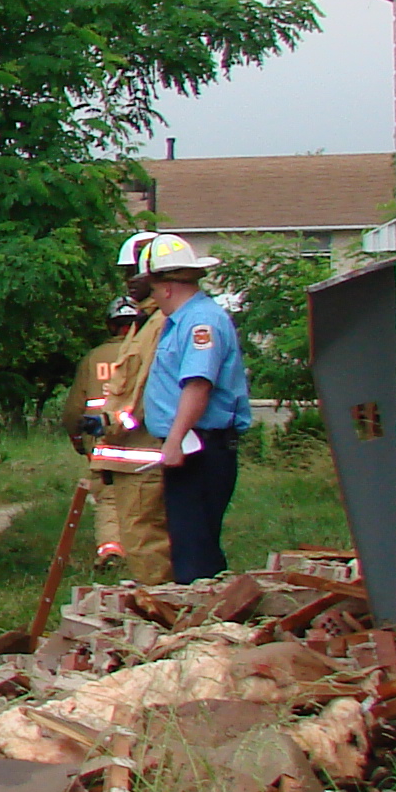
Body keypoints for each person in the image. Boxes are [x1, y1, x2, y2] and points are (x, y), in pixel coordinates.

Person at [138, 232, 253, 585]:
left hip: (200, 447)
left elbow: (198, 384)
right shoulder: (184, 321)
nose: (153, 298)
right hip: (192, 445)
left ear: (166, 287)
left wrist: (175, 440)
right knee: (189, 542)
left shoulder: (201, 322)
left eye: (153, 289)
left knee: (195, 553)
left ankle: (205, 611)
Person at [61, 282, 170, 586]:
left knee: (108, 500)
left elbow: (73, 411)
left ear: (110, 324)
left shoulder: (94, 358)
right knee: (149, 511)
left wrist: (78, 440)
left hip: (104, 445)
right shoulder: (151, 347)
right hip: (147, 448)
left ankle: (111, 550)